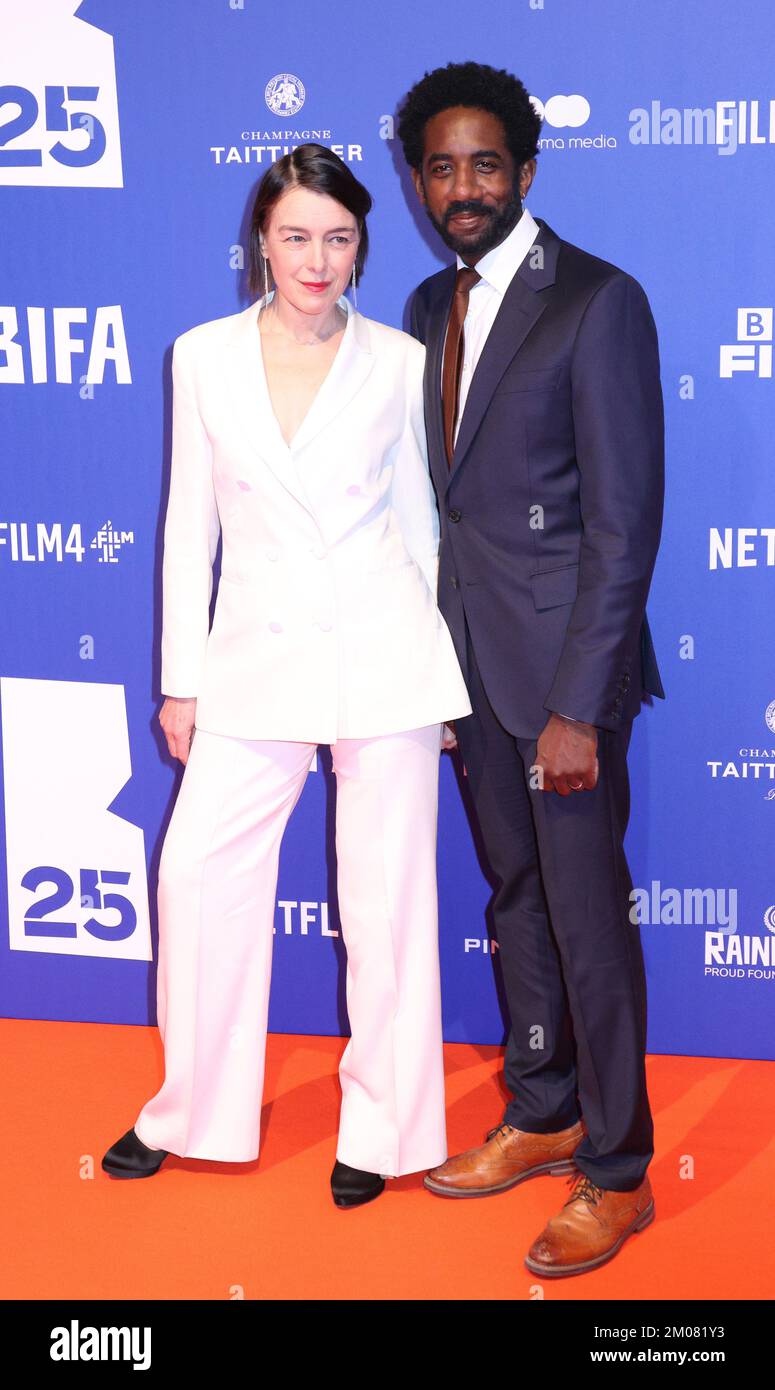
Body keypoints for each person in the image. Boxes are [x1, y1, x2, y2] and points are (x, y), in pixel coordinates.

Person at [102, 143, 472, 1208]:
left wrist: (439, 681)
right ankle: (190, 1106)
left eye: (340, 238)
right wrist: (182, 680)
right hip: (251, 655)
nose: (318, 260)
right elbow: (187, 530)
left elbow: (424, 528)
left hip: (383, 650)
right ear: (261, 239)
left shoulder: (400, 359)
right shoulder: (202, 356)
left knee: (389, 897)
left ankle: (387, 1126)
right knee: (197, 875)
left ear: (363, 245)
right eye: (297, 236)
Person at [397, 62, 665, 1275]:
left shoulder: (597, 302)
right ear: (418, 180)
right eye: (442, 167)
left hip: (562, 684)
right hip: (466, 673)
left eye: (485, 164)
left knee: (586, 921)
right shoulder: (418, 307)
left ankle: (616, 1170)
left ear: (527, 170)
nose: (464, 187)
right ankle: (542, 1102)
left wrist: (576, 707)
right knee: (514, 904)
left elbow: (623, 526)